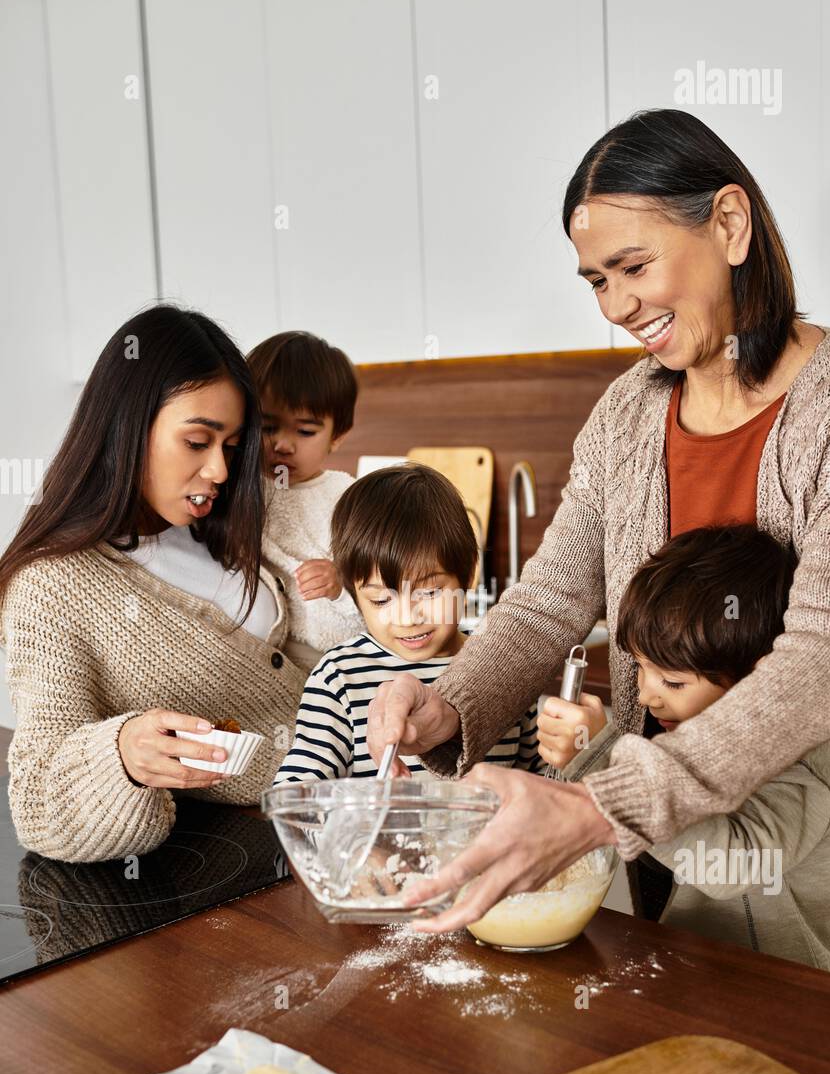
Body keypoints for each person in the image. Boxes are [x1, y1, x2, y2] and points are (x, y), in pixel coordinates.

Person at [364, 108, 830, 937]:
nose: (618, 306)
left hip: (829, 899)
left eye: (633, 266)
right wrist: (448, 706)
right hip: (680, 889)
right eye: (597, 281)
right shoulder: (627, 414)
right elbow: (549, 603)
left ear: (730, 225)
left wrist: (602, 805)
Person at [0, 305, 305, 862]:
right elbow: (39, 802)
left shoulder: (235, 523)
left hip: (349, 799)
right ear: (126, 428)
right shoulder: (51, 586)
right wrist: (121, 755)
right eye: (196, 442)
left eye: (232, 448)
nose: (219, 471)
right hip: (246, 854)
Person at [538, 525, 830, 980]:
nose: (646, 697)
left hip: (807, 998)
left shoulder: (801, 767)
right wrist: (589, 757)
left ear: (760, 677)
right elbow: (662, 842)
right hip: (709, 976)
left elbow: (724, 864)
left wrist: (603, 756)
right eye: (639, 668)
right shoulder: (685, 744)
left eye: (672, 682)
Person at [273, 464, 542, 781]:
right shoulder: (340, 676)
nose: (407, 618)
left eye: (429, 592)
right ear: (354, 593)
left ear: (468, 573)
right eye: (381, 600)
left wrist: (575, 751)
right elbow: (298, 788)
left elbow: (540, 782)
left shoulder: (505, 671)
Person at [249, 330, 365, 671]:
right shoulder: (242, 491)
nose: (283, 445)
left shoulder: (348, 498)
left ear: (337, 436)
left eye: (305, 431)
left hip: (333, 659)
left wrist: (340, 580)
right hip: (261, 653)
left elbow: (379, 577)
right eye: (269, 427)